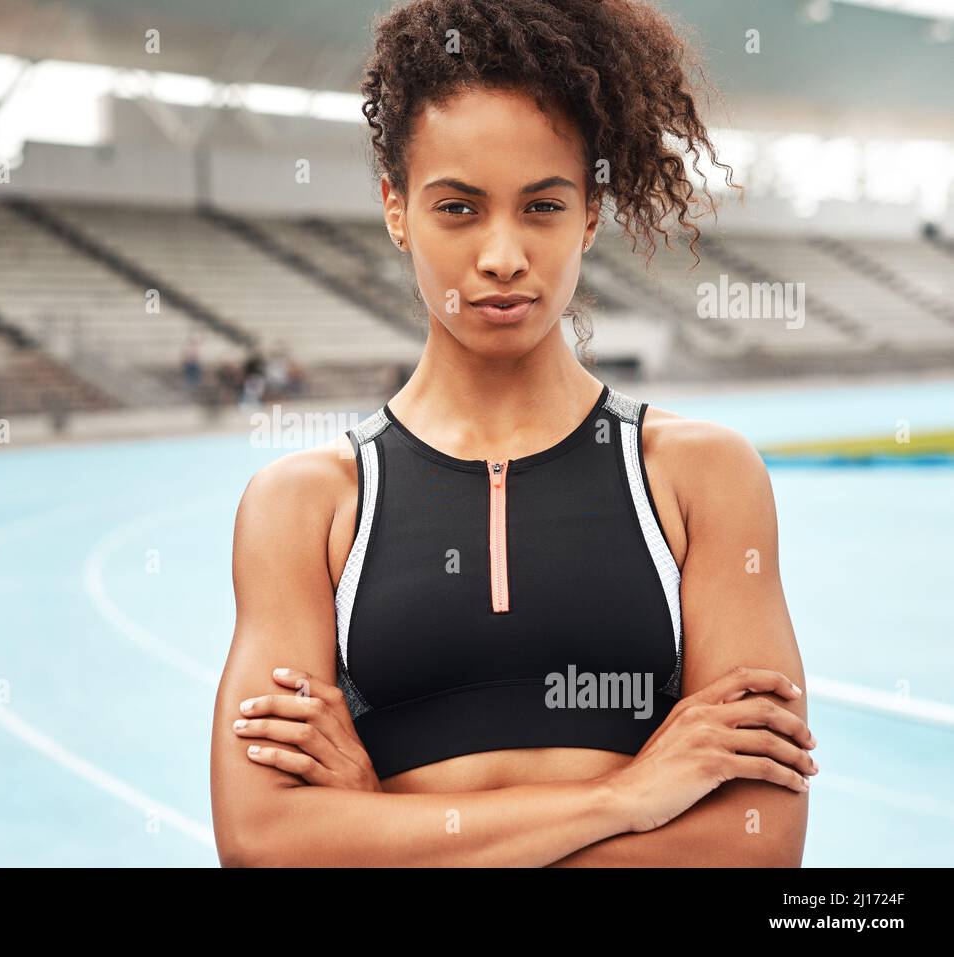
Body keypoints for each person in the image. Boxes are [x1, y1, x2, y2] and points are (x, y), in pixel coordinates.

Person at [211, 0, 814, 867]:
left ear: (592, 214)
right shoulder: (304, 506)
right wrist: (625, 797)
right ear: (395, 208)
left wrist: (374, 823)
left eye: (542, 206)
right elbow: (263, 842)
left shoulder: (700, 479)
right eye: (458, 207)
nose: (502, 255)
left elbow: (754, 845)